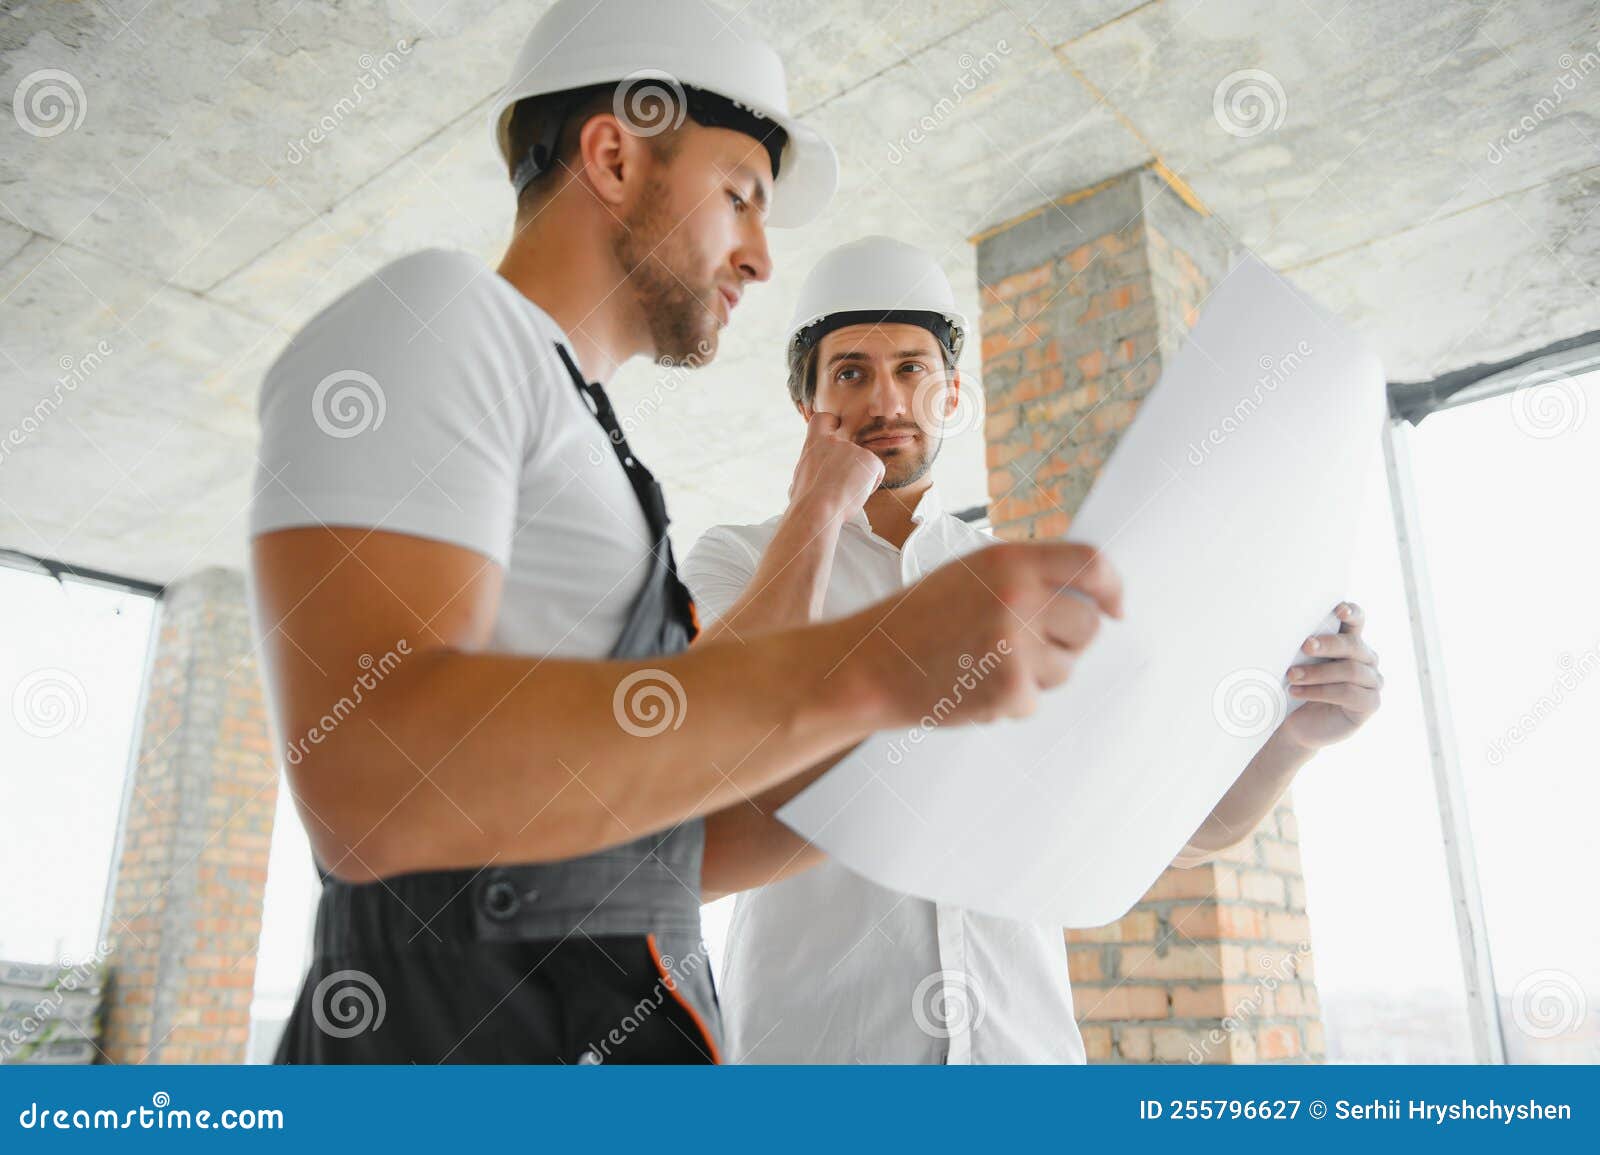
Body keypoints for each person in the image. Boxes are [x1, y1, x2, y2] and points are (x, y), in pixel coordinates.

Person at [246, 3, 1122, 1064]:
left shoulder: (604, 460)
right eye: (740, 198)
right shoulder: (439, 317)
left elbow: (660, 844)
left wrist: (929, 739)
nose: (759, 259)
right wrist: (873, 664)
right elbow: (368, 778)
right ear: (615, 156)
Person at [681, 236, 1385, 1063]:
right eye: (851, 373)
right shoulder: (736, 558)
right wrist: (817, 508)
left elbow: (1154, 827)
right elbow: (723, 728)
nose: (886, 398)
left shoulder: (1021, 585)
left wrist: (1294, 737)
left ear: (950, 394)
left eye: (912, 369)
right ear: (808, 406)